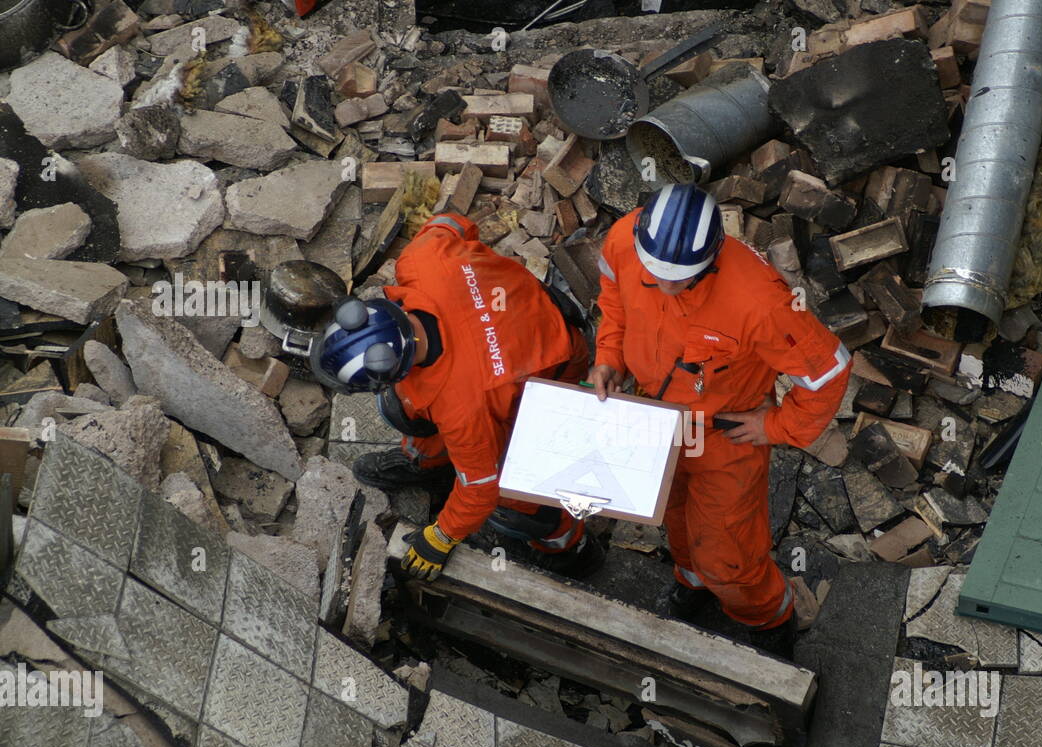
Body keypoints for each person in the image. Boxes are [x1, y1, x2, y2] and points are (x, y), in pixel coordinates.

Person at [589, 184, 851, 653]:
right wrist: (609, 355)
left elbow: (829, 371)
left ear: (711, 257)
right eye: (657, 273)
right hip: (657, 419)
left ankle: (768, 620)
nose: (665, 285)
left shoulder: (759, 300)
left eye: (680, 278)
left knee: (728, 554)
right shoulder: (625, 239)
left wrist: (773, 427)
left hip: (723, 439)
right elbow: (613, 298)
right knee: (675, 515)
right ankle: (692, 581)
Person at [310, 211, 602, 581]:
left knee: (516, 499)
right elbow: (452, 222)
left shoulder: (464, 408)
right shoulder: (422, 260)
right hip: (540, 314)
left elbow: (481, 487)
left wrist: (441, 536)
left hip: (555, 372)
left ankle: (569, 548)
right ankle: (426, 464)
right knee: (407, 408)